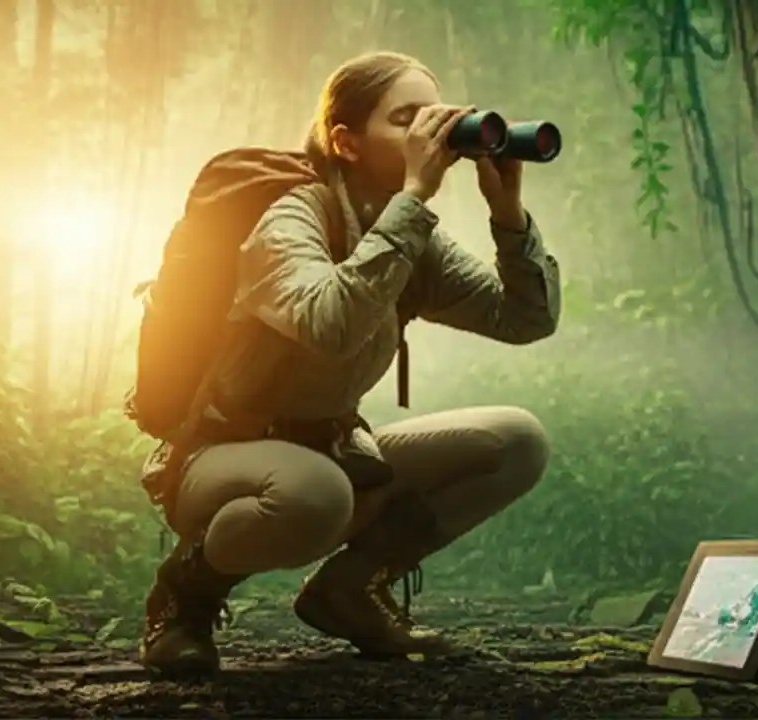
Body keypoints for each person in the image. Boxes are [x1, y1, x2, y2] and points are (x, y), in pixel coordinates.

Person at [137, 50, 562, 678]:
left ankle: (350, 591)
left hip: (332, 449)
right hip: (222, 457)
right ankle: (184, 598)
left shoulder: (412, 236)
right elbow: (329, 325)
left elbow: (525, 320)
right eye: (405, 118)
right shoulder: (289, 216)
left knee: (516, 441)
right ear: (346, 141)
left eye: (436, 115)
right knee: (315, 495)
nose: (430, 133)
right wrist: (416, 196)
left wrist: (508, 213)